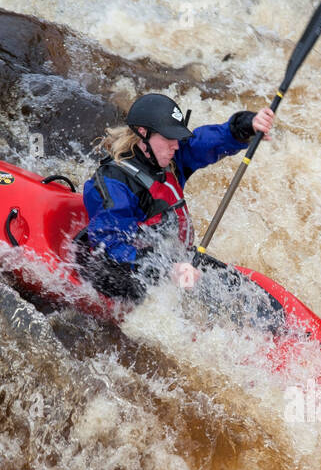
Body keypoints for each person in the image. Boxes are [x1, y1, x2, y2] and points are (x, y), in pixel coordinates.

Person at [75, 92, 275, 311]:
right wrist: (166, 270)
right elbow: (109, 250)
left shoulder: (168, 160)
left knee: (251, 301)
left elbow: (205, 142)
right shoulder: (114, 183)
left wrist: (246, 125)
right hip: (127, 275)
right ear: (143, 134)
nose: (176, 146)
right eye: (169, 138)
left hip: (174, 263)